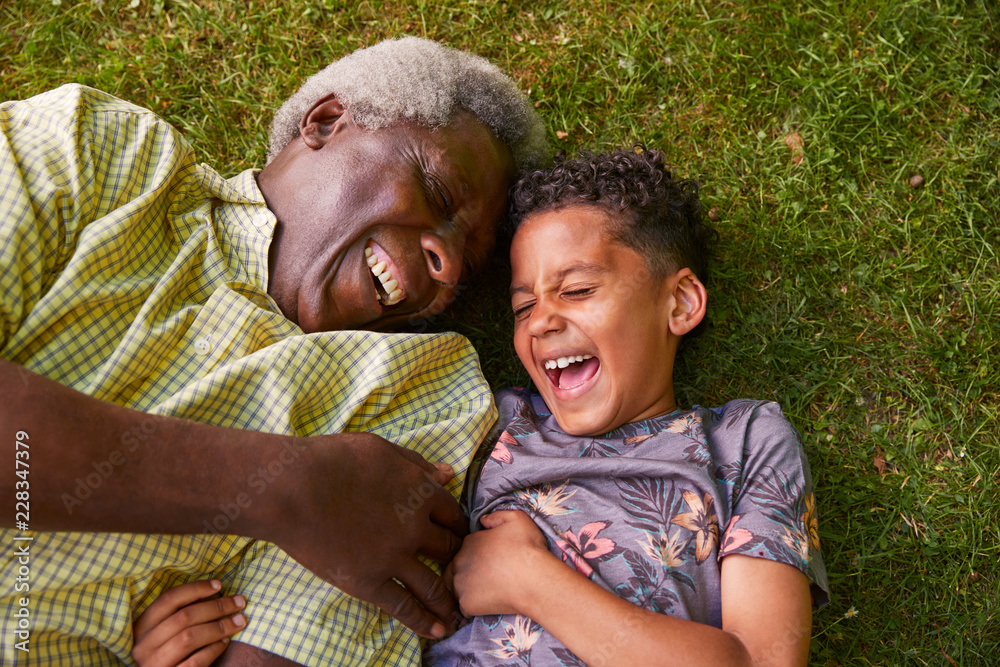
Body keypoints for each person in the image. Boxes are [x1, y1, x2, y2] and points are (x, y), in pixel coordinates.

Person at [135, 148, 831, 666]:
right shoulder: (486, 425)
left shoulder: (746, 441)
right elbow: (335, 534)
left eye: (578, 290)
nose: (540, 322)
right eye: (523, 304)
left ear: (679, 302)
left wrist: (531, 582)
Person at [0, 37, 547, 666]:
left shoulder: (416, 396)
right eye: (436, 191)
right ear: (325, 122)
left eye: (467, 262)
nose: (446, 264)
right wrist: (285, 489)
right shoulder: (97, 153)